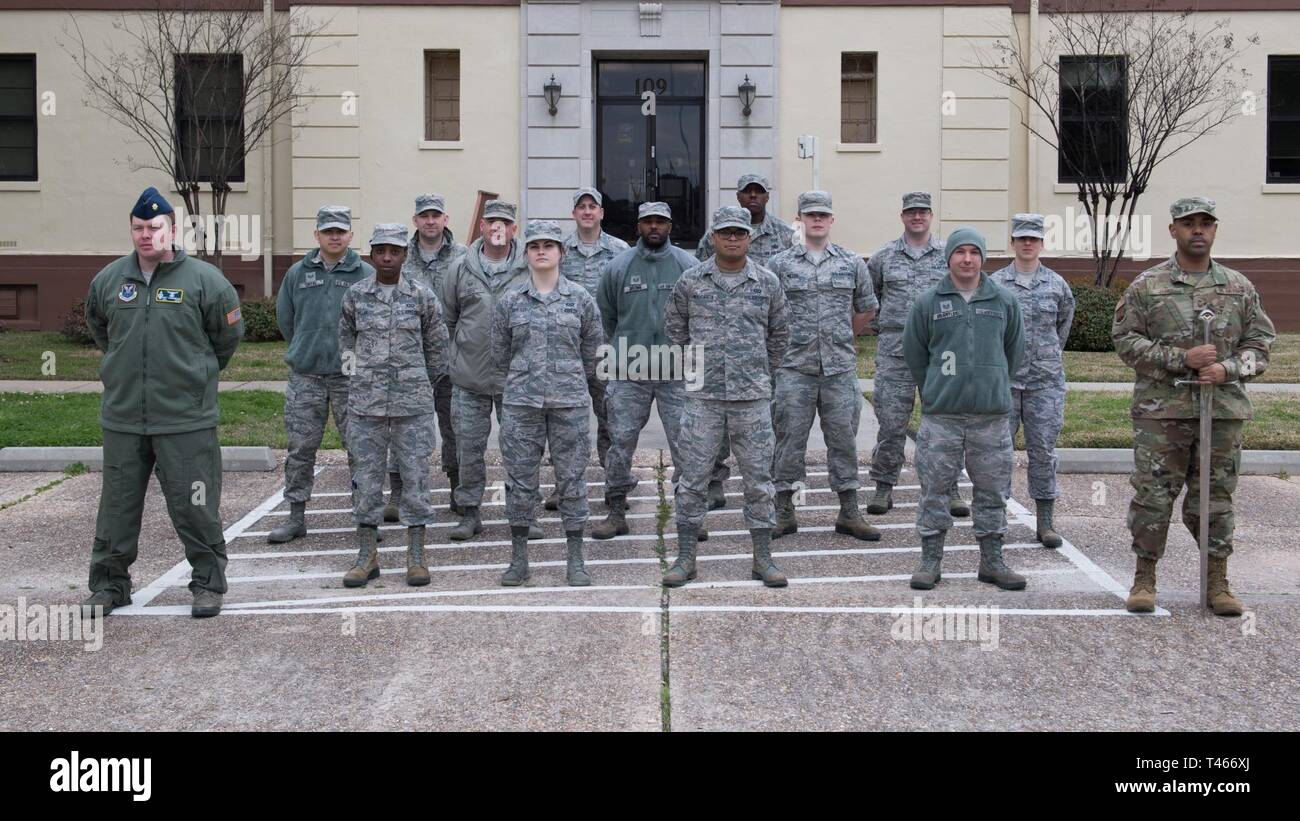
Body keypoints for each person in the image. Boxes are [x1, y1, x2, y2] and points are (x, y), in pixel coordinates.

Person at [81, 186, 243, 618]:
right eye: (138, 228)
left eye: (154, 227)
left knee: (195, 505)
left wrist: (196, 376)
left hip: (185, 421)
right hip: (124, 419)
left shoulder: (206, 281)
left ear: (172, 229)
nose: (146, 235)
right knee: (116, 509)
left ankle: (208, 583)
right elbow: (101, 330)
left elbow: (225, 339)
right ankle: (110, 585)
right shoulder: (110, 280)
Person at [1112, 197, 1275, 616]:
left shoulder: (1239, 288)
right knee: (1152, 497)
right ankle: (1144, 577)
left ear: (1215, 230)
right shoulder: (1148, 286)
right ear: (1173, 231)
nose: (1197, 230)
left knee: (1215, 498)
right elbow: (1126, 341)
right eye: (1188, 224)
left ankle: (1217, 580)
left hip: (1221, 412)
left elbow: (1261, 345)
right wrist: (1179, 359)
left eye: (1205, 223)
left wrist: (1229, 368)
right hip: (1161, 412)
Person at [663, 206, 790, 588]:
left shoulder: (767, 283)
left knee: (758, 480)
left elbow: (780, 336)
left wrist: (757, 371)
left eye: (739, 233)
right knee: (692, 479)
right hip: (703, 399)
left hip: (751, 399)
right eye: (725, 233)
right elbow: (675, 329)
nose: (732, 238)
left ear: (749, 238)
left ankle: (763, 558)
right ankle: (686, 557)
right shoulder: (691, 281)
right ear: (713, 237)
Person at [902, 226, 1026, 591]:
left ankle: (992, 561)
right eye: (960, 252)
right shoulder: (928, 302)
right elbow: (915, 353)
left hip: (990, 417)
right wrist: (939, 389)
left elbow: (1013, 353)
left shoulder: (1004, 301)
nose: (967, 258)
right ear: (949, 257)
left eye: (974, 252)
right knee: (934, 488)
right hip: (943, 417)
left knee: (992, 491)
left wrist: (991, 380)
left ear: (983, 258)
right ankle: (930, 560)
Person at [491, 220, 604, 586]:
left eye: (549, 245)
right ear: (525, 254)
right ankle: (519, 560)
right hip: (521, 405)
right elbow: (499, 354)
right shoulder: (510, 301)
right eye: (535, 245)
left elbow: (593, 354)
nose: (542, 250)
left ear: (561, 253)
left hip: (568, 403)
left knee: (572, 480)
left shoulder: (581, 299)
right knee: (521, 482)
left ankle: (575, 559)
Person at [338, 223, 448, 588]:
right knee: (366, 481)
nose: (387, 257)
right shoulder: (355, 296)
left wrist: (419, 383)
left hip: (412, 405)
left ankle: (416, 557)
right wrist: (360, 382)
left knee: (416, 479)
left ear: (405, 254)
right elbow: (346, 344)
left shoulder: (421, 296)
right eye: (381, 250)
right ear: (371, 254)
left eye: (395, 251)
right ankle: (366, 556)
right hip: (366, 407)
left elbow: (437, 348)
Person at [593, 202, 710, 542]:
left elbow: (698, 317)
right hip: (629, 368)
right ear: (639, 227)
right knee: (620, 442)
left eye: (661, 221)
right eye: (648, 222)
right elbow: (607, 316)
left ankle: (689, 515)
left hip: (676, 370)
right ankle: (616, 510)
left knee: (686, 444)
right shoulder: (619, 266)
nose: (654, 227)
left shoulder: (688, 267)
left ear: (670, 226)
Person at [768, 191, 880, 542]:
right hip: (793, 369)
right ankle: (784, 511)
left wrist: (844, 335)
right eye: (811, 214)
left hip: (839, 370)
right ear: (800, 218)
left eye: (823, 215)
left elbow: (867, 306)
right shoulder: (779, 265)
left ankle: (849, 511)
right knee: (788, 442)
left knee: (843, 441)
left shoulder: (850, 263)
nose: (817, 220)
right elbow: (767, 314)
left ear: (832, 220)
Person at [269, 205, 374, 544]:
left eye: (340, 231)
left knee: (359, 448)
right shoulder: (298, 274)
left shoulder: (364, 274)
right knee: (300, 448)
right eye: (327, 231)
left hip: (350, 376)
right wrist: (307, 348)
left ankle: (364, 517)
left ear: (350, 235)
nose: (334, 236)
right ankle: (296, 516)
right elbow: (287, 319)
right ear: (316, 235)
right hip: (307, 376)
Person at [438, 200, 542, 541]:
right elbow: (449, 318)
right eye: (492, 221)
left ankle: (525, 514)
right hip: (470, 378)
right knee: (468, 450)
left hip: (517, 381)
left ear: (514, 230)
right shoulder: (460, 268)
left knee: (522, 449)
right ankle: (470, 513)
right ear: (483, 227)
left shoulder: (530, 268)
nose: (498, 228)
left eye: (505, 223)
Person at [867, 191, 968, 518]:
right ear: (903, 216)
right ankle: (884, 487)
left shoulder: (948, 256)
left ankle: (950, 487)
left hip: (940, 352)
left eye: (923, 212)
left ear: (930, 215)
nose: (917, 217)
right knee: (892, 424)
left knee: (943, 422)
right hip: (895, 353)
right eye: (911, 212)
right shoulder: (883, 257)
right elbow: (870, 301)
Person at [989, 213, 1075, 549]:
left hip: (1045, 383)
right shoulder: (994, 284)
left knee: (1043, 451)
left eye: (1034, 238)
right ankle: (996, 519)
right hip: (1004, 382)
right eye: (1021, 238)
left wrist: (1042, 358)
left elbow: (1062, 329)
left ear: (1041, 243)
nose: (1027, 243)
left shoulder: (1057, 285)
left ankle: (1046, 522)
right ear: (1012, 242)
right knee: (998, 453)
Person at [542, 187, 628, 510]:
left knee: (611, 420)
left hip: (607, 350)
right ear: (574, 214)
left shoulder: (620, 251)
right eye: (582, 207)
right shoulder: (559, 250)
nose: (588, 212)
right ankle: (563, 486)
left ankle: (614, 485)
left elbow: (626, 299)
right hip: (569, 353)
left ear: (602, 213)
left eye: (593, 206)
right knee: (565, 425)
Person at [383, 193, 466, 522]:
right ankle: (398, 490)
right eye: (424, 215)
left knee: (453, 427)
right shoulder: (401, 258)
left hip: (450, 359)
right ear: (415, 221)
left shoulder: (463, 257)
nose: (430, 220)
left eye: (436, 215)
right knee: (401, 428)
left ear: (445, 219)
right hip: (407, 360)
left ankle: (457, 488)